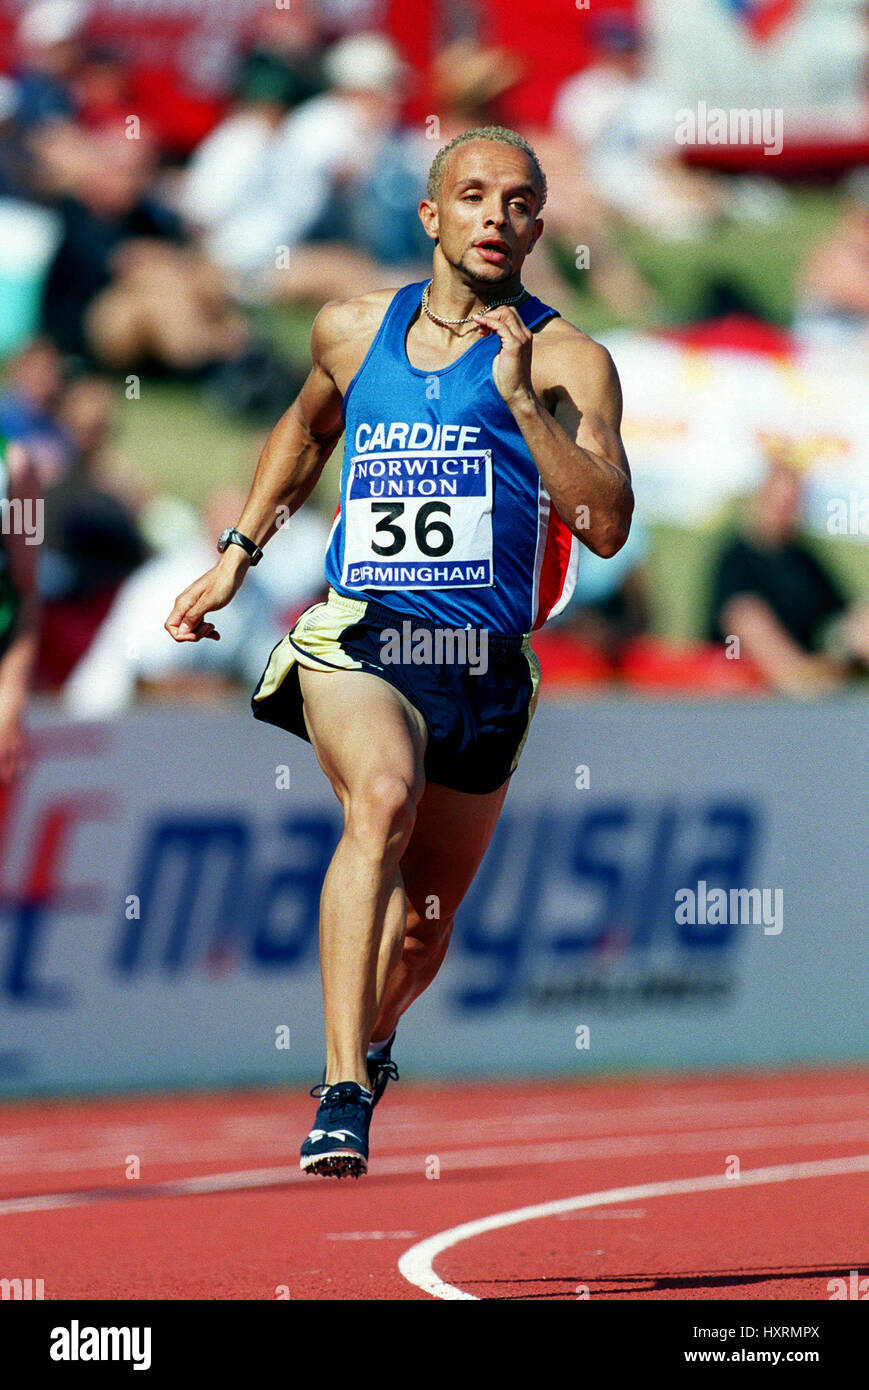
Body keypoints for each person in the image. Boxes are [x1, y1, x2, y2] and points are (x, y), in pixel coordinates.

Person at [166, 125, 633, 1177]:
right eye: (472, 196)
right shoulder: (349, 327)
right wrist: (238, 554)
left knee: (421, 928)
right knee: (379, 795)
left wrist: (521, 405)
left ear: (537, 226)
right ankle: (338, 1091)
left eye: (517, 202)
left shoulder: (565, 360)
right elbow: (302, 427)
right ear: (431, 216)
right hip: (362, 635)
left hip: (485, 667)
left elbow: (604, 522)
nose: (494, 218)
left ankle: (372, 1046)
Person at [707, 460, 869, 696]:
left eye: (792, 504)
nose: (785, 511)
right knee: (749, 617)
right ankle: (805, 686)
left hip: (814, 665)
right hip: (748, 677)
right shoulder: (736, 558)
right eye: (779, 503)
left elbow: (842, 612)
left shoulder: (803, 559)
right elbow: (739, 620)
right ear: (762, 498)